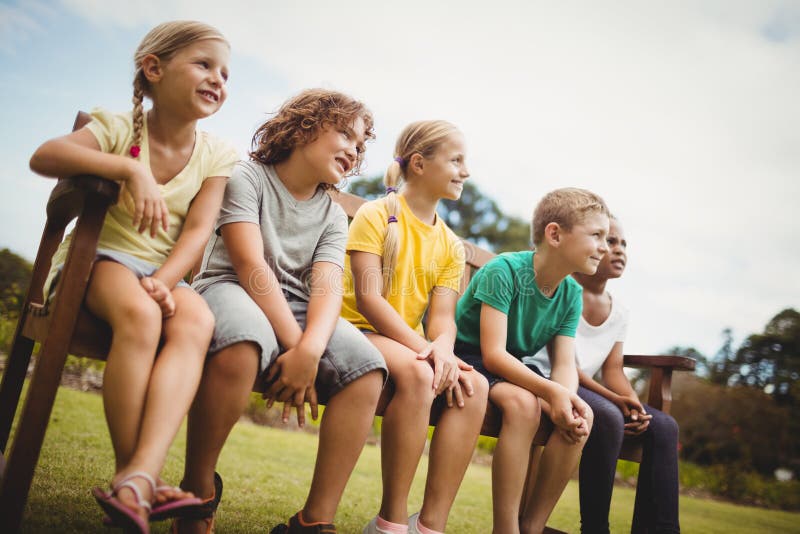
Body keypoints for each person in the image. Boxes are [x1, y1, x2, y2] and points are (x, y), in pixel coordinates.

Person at [29, 20, 238, 534]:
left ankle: (139, 475)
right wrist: (129, 169)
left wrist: (167, 280)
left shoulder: (216, 154)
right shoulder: (118, 128)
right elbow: (45, 156)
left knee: (197, 322)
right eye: (204, 64)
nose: (218, 79)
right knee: (143, 318)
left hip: (164, 275)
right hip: (96, 261)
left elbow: (198, 231)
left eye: (226, 73)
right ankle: (136, 476)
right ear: (154, 68)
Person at [181, 89, 387, 534]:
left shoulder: (333, 217)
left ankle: (312, 521)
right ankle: (196, 494)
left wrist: (310, 349)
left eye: (361, 145)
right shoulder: (248, 177)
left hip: (295, 309)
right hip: (229, 287)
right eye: (346, 135)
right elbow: (250, 264)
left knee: (368, 366)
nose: (355, 149)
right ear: (303, 127)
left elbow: (328, 290)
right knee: (244, 342)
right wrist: (299, 349)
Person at [342, 121, 489, 534]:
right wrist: (428, 351)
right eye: (456, 160)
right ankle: (390, 522)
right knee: (422, 374)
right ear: (420, 164)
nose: (466, 171)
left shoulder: (451, 245)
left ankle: (429, 525)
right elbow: (370, 301)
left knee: (474, 388)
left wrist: (442, 348)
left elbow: (443, 317)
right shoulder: (376, 216)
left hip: (409, 344)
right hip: (358, 330)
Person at [455, 188, 611, 534]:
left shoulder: (571, 294)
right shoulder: (504, 271)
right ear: (555, 234)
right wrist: (550, 393)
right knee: (525, 406)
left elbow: (565, 364)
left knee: (579, 416)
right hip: (468, 357)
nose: (605, 246)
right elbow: (493, 355)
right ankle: (506, 528)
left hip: (510, 367)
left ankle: (533, 527)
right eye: (597, 236)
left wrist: (565, 397)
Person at [526, 217, 680, 534]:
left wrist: (634, 405)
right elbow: (568, 366)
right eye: (610, 241)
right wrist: (615, 400)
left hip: (593, 390)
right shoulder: (566, 292)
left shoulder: (620, 311)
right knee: (608, 414)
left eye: (623, 243)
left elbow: (613, 370)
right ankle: (595, 527)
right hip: (553, 380)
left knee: (663, 425)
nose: (618, 250)